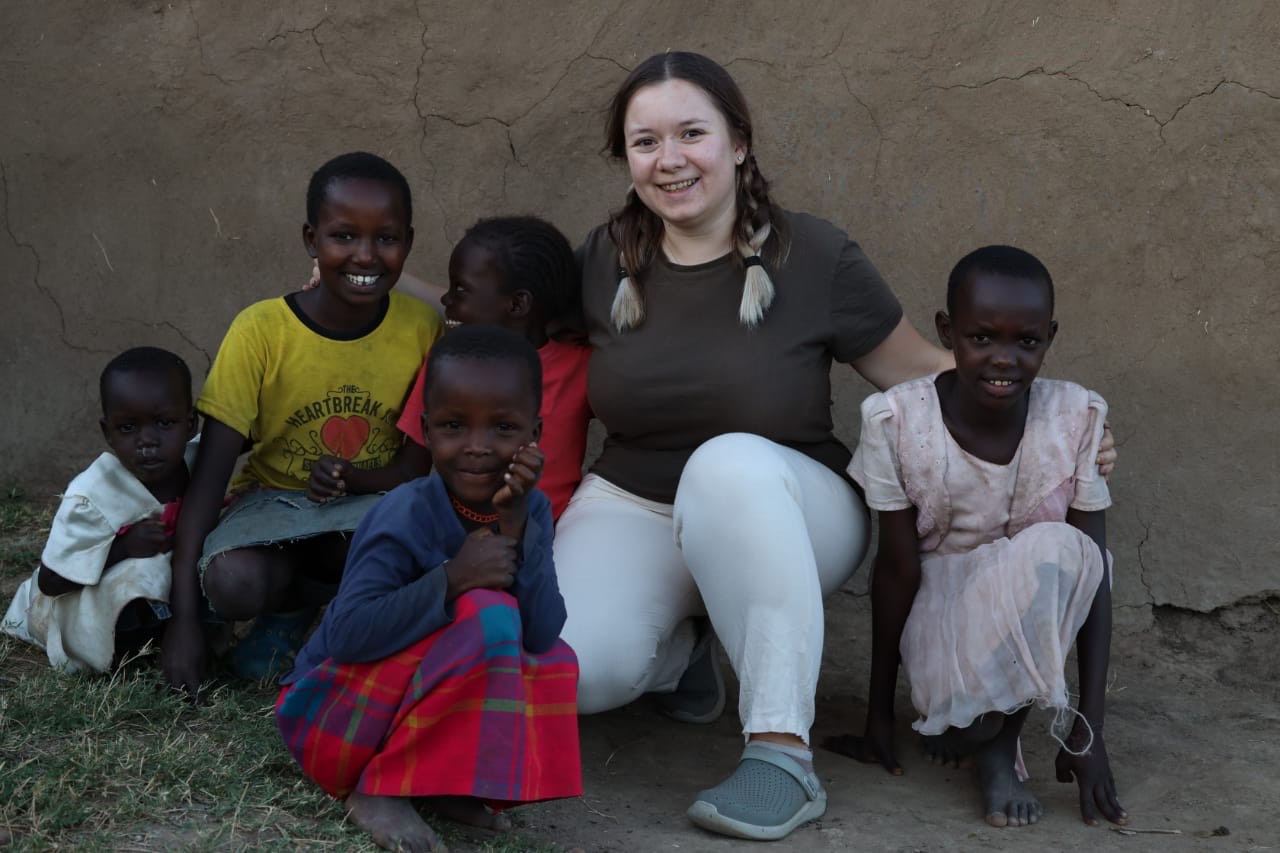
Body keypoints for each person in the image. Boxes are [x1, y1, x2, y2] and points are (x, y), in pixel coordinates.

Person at [553, 51, 1117, 841]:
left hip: (790, 502)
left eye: (691, 133)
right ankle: (682, 658)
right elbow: (491, 322)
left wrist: (1062, 423)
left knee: (730, 463)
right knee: (575, 669)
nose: (670, 159)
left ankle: (782, 753)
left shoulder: (814, 255)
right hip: (636, 501)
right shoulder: (603, 256)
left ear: (739, 142)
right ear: (627, 157)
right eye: (646, 141)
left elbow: (927, 370)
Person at [828, 246, 1127, 829]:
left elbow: (1091, 575)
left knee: (1071, 551)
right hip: (939, 618)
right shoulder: (896, 421)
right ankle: (967, 720)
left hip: (1022, 609)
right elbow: (894, 572)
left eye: (1027, 342)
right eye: (982, 337)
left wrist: (1089, 731)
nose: (1004, 359)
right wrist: (878, 719)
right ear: (947, 331)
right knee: (1039, 565)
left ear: (1050, 338)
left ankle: (995, 744)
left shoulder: (1077, 416)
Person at [275, 325, 580, 853]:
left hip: (399, 703)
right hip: (331, 712)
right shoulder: (403, 512)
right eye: (454, 426)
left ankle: (442, 782)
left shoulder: (527, 507)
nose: (478, 447)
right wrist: (453, 578)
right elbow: (347, 635)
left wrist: (513, 526)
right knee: (487, 615)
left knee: (552, 657)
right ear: (425, 429)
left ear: (535, 432)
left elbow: (542, 632)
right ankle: (378, 786)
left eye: (503, 427)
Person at [161, 152, 443, 693]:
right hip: (273, 506)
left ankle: (334, 626)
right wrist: (185, 621)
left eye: (386, 238)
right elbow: (210, 479)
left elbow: (414, 468)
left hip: (366, 511)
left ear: (409, 240)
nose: (365, 255)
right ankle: (289, 609)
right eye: (344, 236)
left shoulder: (422, 328)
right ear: (311, 240)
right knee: (233, 582)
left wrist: (353, 484)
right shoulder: (261, 331)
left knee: (407, 553)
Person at [3, 347, 197, 672]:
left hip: (148, 590)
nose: (147, 441)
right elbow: (52, 581)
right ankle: (131, 660)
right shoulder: (91, 496)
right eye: (127, 428)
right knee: (143, 575)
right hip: (61, 606)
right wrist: (123, 548)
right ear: (107, 433)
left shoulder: (196, 463)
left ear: (190, 424)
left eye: (164, 423)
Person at [395, 216, 591, 519]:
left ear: (517, 305)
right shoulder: (447, 362)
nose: (446, 298)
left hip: (550, 541)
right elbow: (410, 470)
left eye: (460, 289)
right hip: (453, 535)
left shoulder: (581, 367)